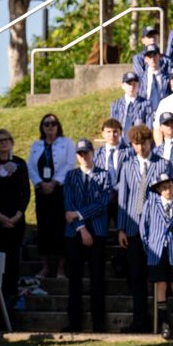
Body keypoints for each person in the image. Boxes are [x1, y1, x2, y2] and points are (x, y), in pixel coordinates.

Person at [117, 125, 165, 333]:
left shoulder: (162, 164)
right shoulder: (127, 166)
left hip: (155, 229)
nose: (141, 147)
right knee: (136, 277)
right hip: (133, 227)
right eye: (136, 144)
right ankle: (139, 320)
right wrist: (121, 228)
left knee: (157, 276)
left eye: (144, 143)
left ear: (150, 142)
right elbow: (123, 198)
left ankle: (160, 320)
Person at [62, 139, 112, 333]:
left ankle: (98, 323)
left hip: (97, 232)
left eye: (87, 153)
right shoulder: (70, 176)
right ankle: (74, 321)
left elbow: (102, 203)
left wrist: (79, 215)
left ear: (93, 153)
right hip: (74, 233)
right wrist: (81, 227)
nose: (84, 157)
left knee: (97, 279)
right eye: (80, 154)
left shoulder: (104, 176)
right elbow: (68, 205)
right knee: (74, 279)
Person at [0, 129, 30, 313]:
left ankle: (10, 307)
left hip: (16, 221)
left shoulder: (20, 163)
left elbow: (26, 192)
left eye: (7, 140)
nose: (3, 143)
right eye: (0, 140)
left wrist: (18, 215)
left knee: (13, 263)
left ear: (12, 142)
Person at [140, 167, 173, 340]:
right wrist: (150, 247)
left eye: (171, 186)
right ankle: (164, 324)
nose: (168, 190)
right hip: (157, 251)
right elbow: (143, 228)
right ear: (159, 190)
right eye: (164, 187)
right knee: (161, 285)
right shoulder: (151, 204)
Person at [27, 113, 75, 277]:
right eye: (46, 124)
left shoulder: (66, 143)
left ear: (58, 126)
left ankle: (61, 268)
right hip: (42, 191)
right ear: (42, 127)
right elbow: (30, 166)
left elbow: (70, 163)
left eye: (53, 123)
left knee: (60, 227)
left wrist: (54, 182)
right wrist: (40, 183)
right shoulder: (36, 145)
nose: (50, 126)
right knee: (44, 228)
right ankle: (45, 267)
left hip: (59, 190)